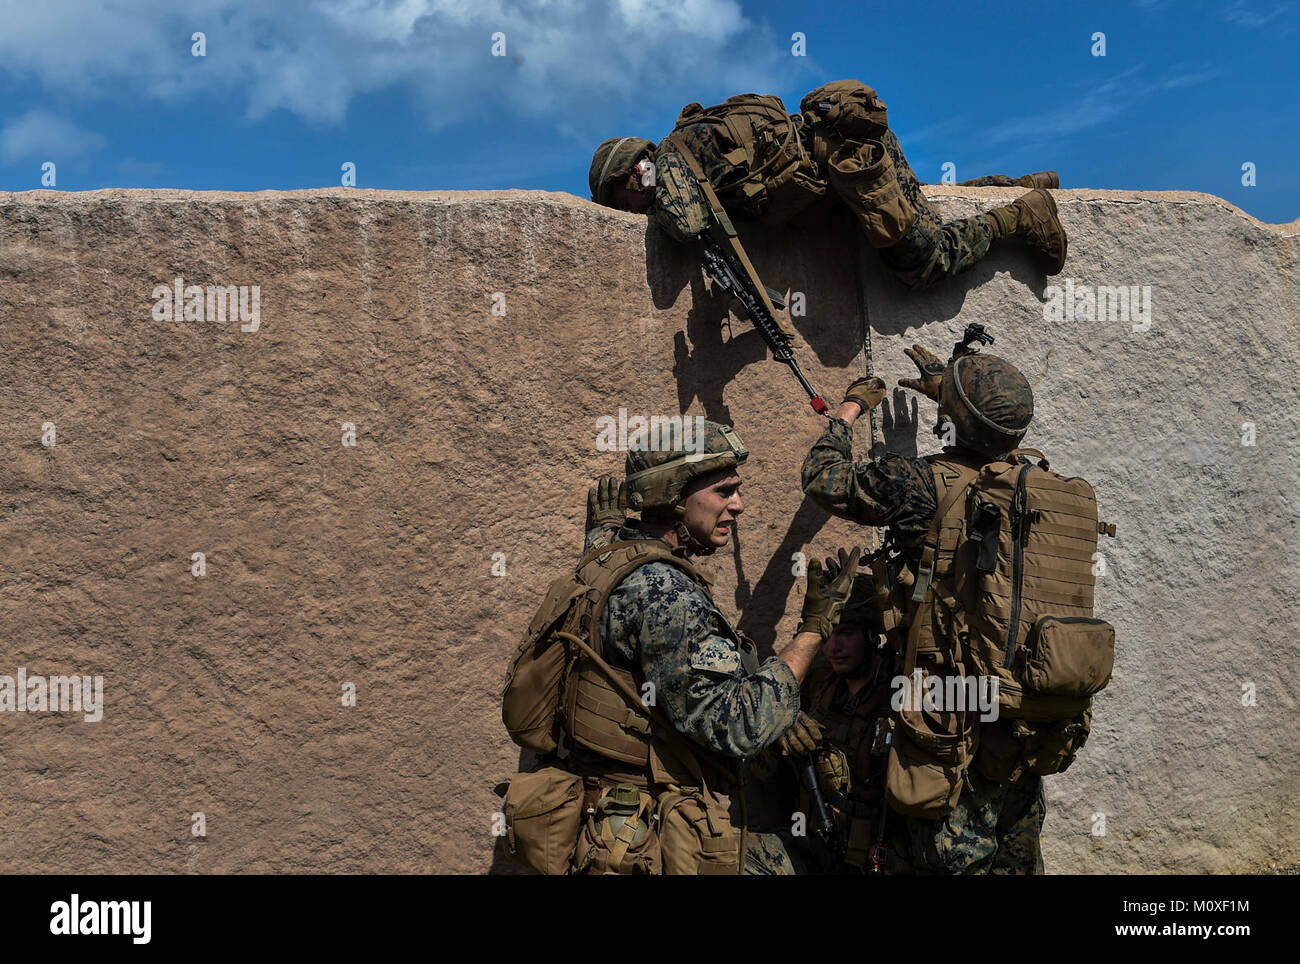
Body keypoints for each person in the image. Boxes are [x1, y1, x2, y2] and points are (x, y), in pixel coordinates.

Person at [567, 420, 860, 874]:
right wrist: (814, 630)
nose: (738, 506)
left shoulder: (608, 561)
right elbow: (739, 728)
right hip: (647, 835)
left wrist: (601, 534)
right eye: (724, 492)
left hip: (601, 815)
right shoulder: (667, 595)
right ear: (673, 494)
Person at [800, 344, 1049, 873]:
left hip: (946, 721)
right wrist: (958, 403)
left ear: (955, 420)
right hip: (1021, 717)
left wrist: (849, 411)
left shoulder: (917, 484)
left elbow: (823, 477)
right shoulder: (1038, 487)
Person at [589, 79, 1066, 292]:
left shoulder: (671, 157)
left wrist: (657, 211)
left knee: (922, 263)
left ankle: (1022, 213)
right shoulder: (691, 144)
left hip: (849, 160)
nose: (631, 212)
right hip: (839, 170)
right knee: (917, 198)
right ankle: (1012, 186)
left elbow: (687, 225)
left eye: (622, 203)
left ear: (634, 172)